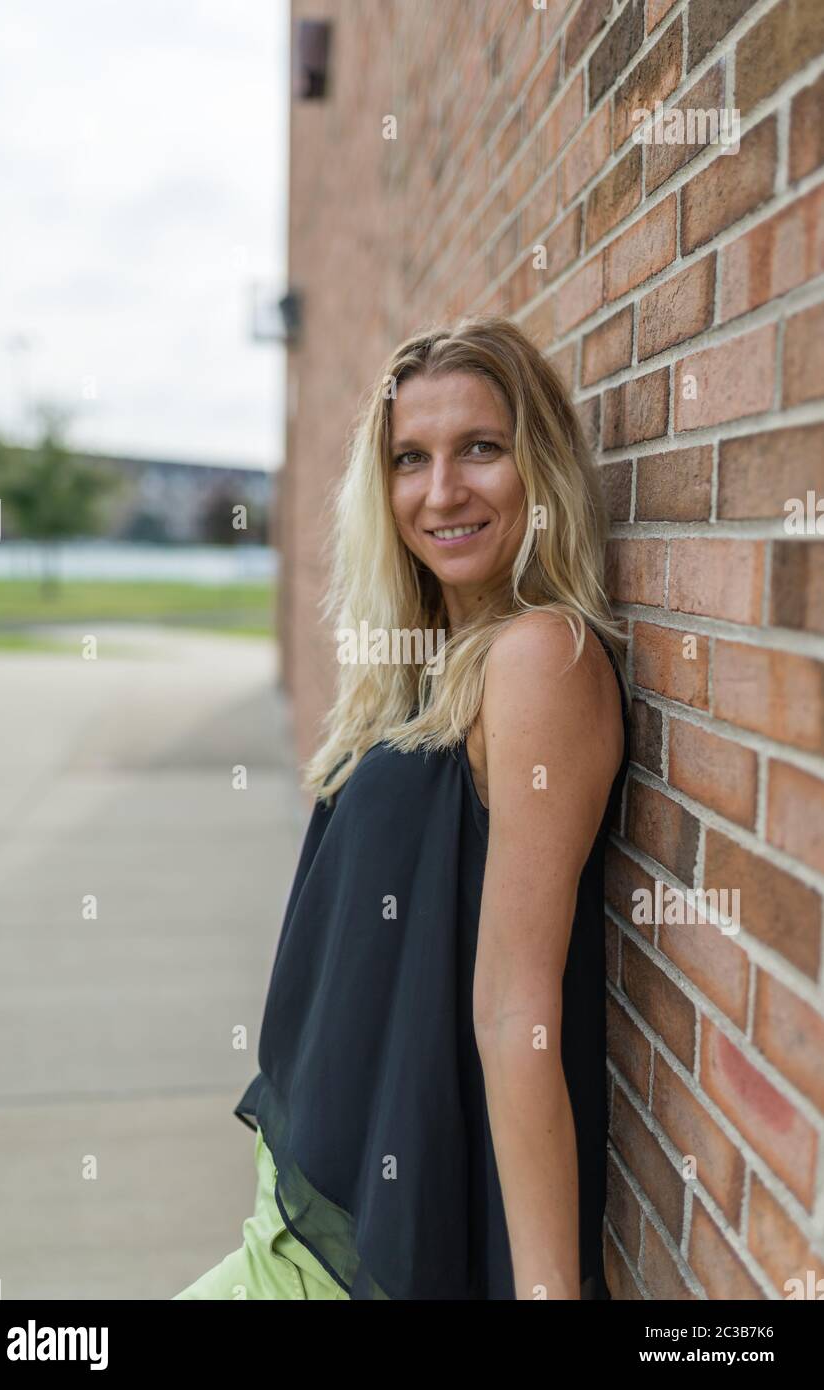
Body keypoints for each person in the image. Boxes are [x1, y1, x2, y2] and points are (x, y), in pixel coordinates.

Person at [174, 313, 630, 1301]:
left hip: (378, 1253)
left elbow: (517, 1010)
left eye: (481, 448)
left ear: (540, 468)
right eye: (408, 458)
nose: (441, 490)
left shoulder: (540, 658)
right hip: (312, 1210)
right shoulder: (417, 672)